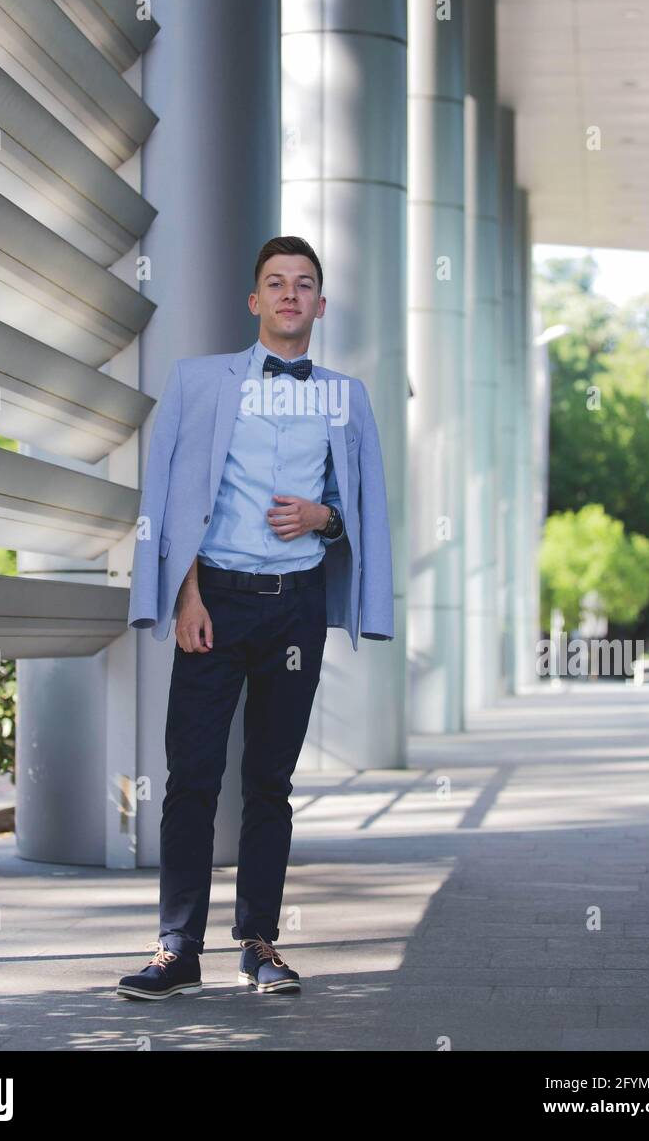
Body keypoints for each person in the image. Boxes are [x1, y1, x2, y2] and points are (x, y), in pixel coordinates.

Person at [116, 235, 393, 1000]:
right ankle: (177, 948)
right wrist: (185, 595)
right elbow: (169, 498)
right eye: (276, 283)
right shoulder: (198, 383)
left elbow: (359, 509)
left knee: (271, 781)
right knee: (191, 779)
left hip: (294, 610)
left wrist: (321, 516)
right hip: (215, 604)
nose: (290, 296)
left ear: (320, 304)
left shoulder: (345, 396)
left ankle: (260, 943)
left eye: (304, 285)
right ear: (254, 300)